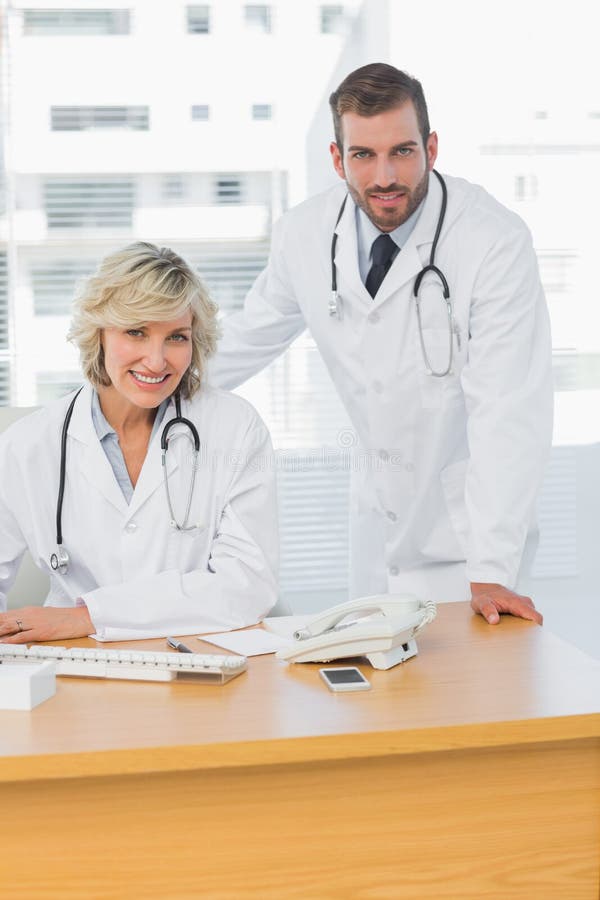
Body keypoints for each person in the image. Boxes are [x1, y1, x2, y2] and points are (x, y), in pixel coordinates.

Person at [209, 63, 553, 625]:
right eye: (364, 155)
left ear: (432, 148)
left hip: (473, 544)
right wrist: (130, 388)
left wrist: (491, 567)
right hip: (377, 533)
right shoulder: (305, 234)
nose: (385, 176)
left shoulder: (493, 240)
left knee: (476, 702)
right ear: (338, 159)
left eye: (403, 151)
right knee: (380, 702)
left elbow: (509, 410)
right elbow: (244, 338)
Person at [0, 242, 278, 643]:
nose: (156, 360)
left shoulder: (235, 428)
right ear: (99, 334)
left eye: (177, 337)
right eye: (136, 332)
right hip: (72, 663)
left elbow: (248, 585)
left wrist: (89, 616)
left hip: (198, 656)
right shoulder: (28, 445)